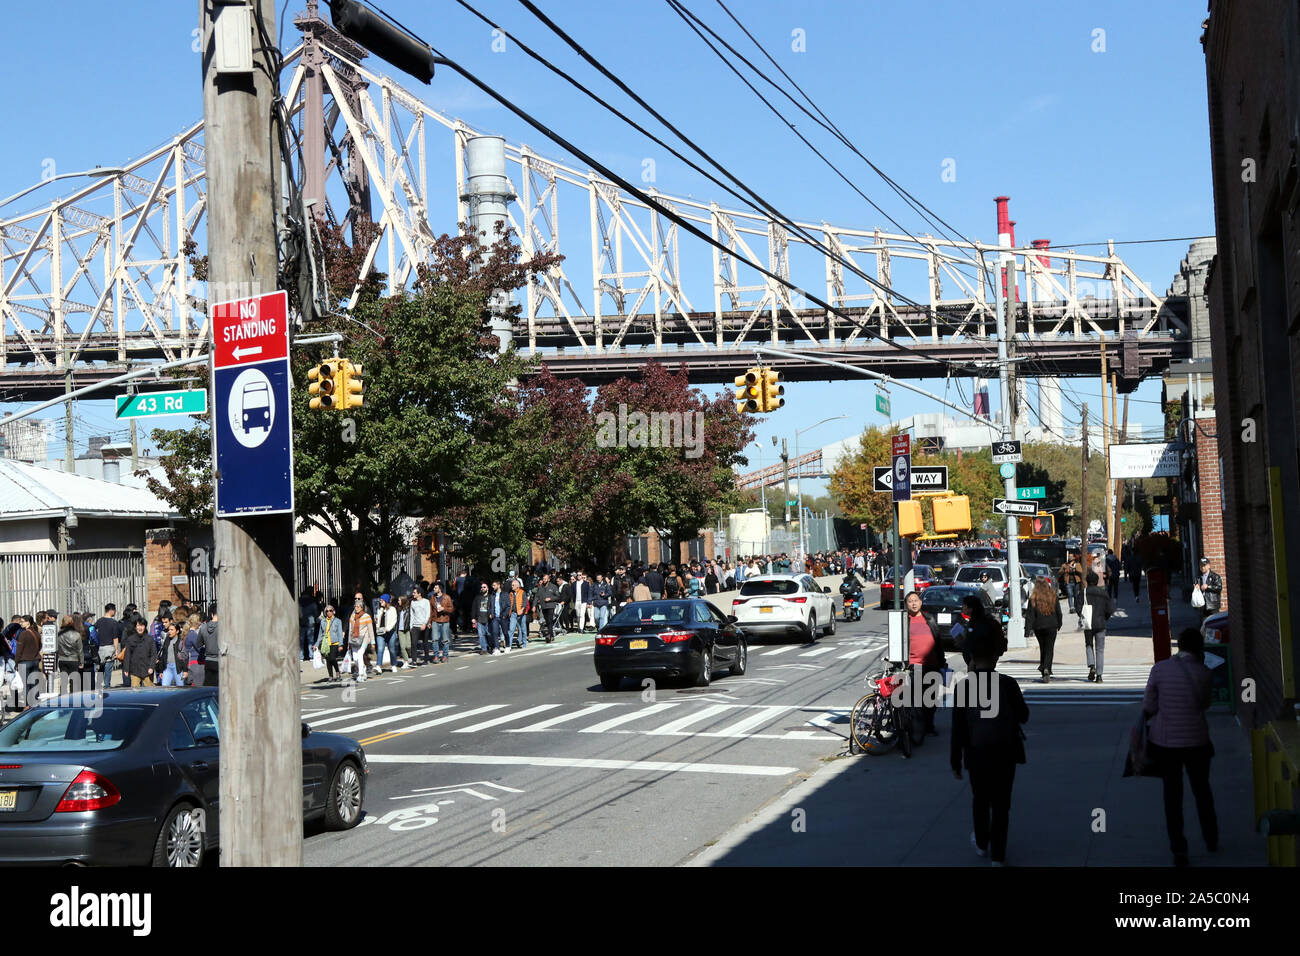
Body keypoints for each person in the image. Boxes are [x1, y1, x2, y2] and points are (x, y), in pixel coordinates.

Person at [950, 626, 1029, 866]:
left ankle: (982, 843)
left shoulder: (964, 687)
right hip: (1005, 752)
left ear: (972, 658)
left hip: (977, 753)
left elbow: (958, 729)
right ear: (996, 657)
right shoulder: (1007, 684)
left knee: (980, 800)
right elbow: (1024, 716)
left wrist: (956, 760)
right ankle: (998, 855)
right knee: (1002, 805)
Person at [1142, 627, 1218, 867]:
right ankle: (1211, 836)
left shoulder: (1160, 669)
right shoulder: (1204, 673)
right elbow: (1205, 704)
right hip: (1197, 740)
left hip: (1166, 743)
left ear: (1180, 645)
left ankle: (1179, 849)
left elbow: (1149, 706)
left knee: (1172, 796)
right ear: (1199, 648)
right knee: (1202, 791)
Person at [903, 590, 944, 742]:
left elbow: (938, 641)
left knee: (931, 699)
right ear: (906, 605)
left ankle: (929, 726)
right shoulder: (904, 620)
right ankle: (918, 727)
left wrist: (942, 661)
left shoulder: (929, 619)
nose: (914, 603)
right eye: (910, 601)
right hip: (915, 665)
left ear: (920, 602)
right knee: (917, 699)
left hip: (932, 664)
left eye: (916, 600)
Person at [1024, 579, 1063, 683]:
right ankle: (1047, 668)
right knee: (1049, 649)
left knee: (1043, 648)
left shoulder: (1033, 598)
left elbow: (1030, 615)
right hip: (1051, 626)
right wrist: (1059, 623)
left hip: (1039, 627)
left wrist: (1027, 630)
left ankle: (1044, 668)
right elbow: (1059, 612)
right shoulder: (1053, 596)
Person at [1081, 570, 1116, 683]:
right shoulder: (1103, 593)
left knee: (1088, 645)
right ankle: (1099, 676)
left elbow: (1078, 607)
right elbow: (1110, 609)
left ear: (1087, 581)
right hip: (1101, 623)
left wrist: (1082, 616)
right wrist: (1105, 617)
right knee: (1100, 649)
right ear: (1096, 581)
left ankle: (1092, 666)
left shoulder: (1084, 592)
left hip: (1088, 623)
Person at [94, 603, 124, 689]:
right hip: (110, 647)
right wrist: (116, 650)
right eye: (114, 610)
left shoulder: (99, 621)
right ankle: (107, 685)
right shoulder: (114, 623)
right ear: (111, 610)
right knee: (108, 668)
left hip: (100, 648)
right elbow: (115, 638)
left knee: (101, 667)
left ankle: (99, 684)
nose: (115, 612)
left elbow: (93, 631)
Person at [54, 614, 83, 698]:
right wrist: (81, 661)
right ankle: (73, 697)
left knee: (63, 679)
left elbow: (56, 647)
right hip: (74, 659)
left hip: (62, 659)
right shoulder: (76, 634)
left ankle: (63, 696)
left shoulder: (59, 634)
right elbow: (80, 650)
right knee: (74, 680)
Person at [347, 598, 374, 681]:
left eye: (358, 606)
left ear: (362, 607)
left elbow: (370, 630)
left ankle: (361, 674)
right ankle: (363, 668)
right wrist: (349, 642)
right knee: (355, 659)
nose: (356, 608)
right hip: (354, 639)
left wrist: (373, 642)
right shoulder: (352, 616)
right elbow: (350, 630)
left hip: (364, 639)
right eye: (355, 606)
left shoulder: (367, 617)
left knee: (360, 654)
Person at [124, 617, 155, 688]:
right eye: (138, 625)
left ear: (145, 627)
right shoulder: (130, 639)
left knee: (150, 691)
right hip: (135, 670)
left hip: (147, 670)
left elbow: (153, 654)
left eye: (142, 625)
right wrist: (126, 668)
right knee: (135, 692)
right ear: (135, 627)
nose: (140, 628)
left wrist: (151, 667)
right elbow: (127, 654)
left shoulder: (150, 639)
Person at [317, 605, 343, 681]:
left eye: (330, 610)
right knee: (328, 660)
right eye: (327, 611)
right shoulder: (323, 621)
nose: (329, 612)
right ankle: (330, 676)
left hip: (334, 643)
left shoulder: (338, 621)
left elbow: (340, 634)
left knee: (332, 658)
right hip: (326, 644)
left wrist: (341, 644)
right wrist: (316, 645)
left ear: (333, 611)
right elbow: (320, 634)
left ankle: (337, 672)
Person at [157, 621, 186, 687]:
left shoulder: (181, 640)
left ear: (177, 631)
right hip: (167, 667)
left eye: (172, 630)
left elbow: (185, 656)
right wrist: (161, 670)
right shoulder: (167, 640)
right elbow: (163, 655)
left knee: (180, 687)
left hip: (178, 668)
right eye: (169, 630)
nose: (169, 631)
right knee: (164, 687)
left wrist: (185, 670)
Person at [431, 584, 455, 663]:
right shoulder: (432, 598)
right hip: (435, 620)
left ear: (440, 589)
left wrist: (444, 609)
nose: (434, 589)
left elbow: (451, 609)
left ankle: (445, 656)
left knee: (445, 639)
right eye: (434, 587)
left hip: (445, 620)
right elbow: (430, 610)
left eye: (435, 588)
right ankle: (436, 656)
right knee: (434, 639)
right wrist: (429, 621)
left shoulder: (447, 597)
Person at [1059, 555, 1084, 628]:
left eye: (1071, 558)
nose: (1070, 560)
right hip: (1068, 582)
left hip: (1076, 582)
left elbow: (1081, 571)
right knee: (1070, 594)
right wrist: (1064, 569)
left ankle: (1076, 607)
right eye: (1069, 558)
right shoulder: (1064, 565)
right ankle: (1071, 607)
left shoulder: (1077, 564)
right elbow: (1060, 572)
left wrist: (1075, 569)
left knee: (1076, 595)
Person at [409, 586, 431, 665]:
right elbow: (412, 614)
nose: (413, 594)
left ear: (419, 593)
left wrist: (425, 623)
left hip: (423, 625)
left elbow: (428, 613)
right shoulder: (412, 602)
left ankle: (426, 659)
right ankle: (414, 660)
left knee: (425, 643)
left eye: (414, 593)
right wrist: (411, 626)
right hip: (415, 625)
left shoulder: (426, 602)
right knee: (414, 643)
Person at [508, 579, 530, 649]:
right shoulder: (511, 593)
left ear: (517, 586)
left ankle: (524, 643)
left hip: (521, 614)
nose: (512, 586)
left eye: (513, 585)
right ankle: (509, 645)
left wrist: (522, 609)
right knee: (511, 629)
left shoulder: (522, 592)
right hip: (513, 613)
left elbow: (525, 602)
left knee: (523, 629)